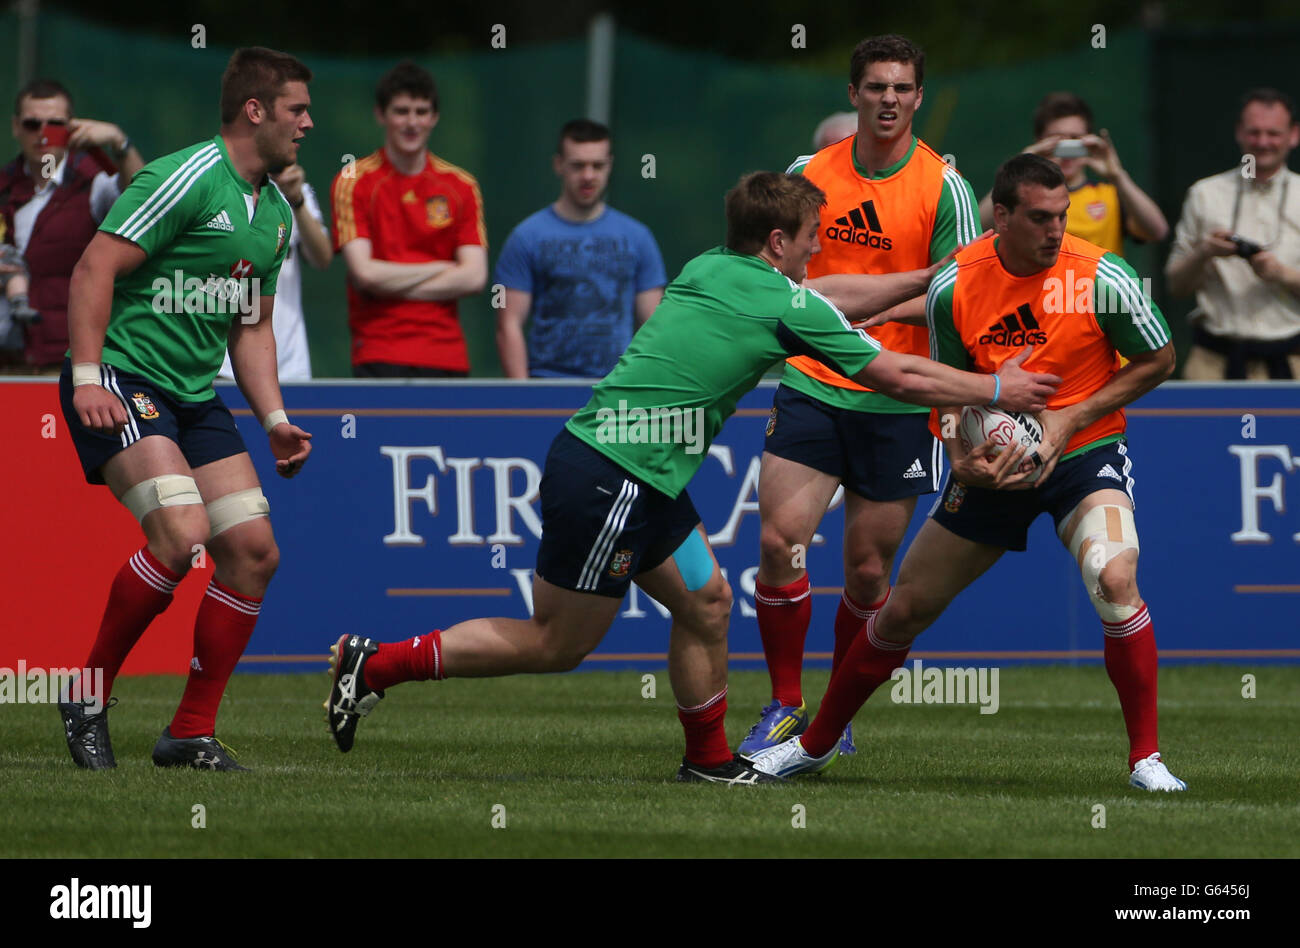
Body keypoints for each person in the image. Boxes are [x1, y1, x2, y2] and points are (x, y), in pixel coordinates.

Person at [323, 171, 1059, 785]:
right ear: (778, 243)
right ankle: (378, 664)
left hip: (628, 472)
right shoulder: (779, 298)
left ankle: (707, 762)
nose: (814, 253)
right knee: (557, 644)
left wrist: (930, 276)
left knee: (707, 603)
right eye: (809, 242)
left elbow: (827, 300)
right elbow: (894, 372)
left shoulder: (713, 265)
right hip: (615, 476)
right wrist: (994, 390)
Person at [747, 154, 1185, 794]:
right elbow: (950, 390)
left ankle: (1145, 758)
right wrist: (958, 455)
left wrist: (1069, 422)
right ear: (1000, 216)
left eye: (1061, 216)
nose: (1056, 230)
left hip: (1084, 453)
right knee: (901, 612)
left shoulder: (1102, 276)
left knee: (1114, 574)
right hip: (991, 465)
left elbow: (1161, 358)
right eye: (1039, 218)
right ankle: (814, 746)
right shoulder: (956, 286)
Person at [55, 47, 314, 771]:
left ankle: (188, 733)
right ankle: (86, 691)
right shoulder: (187, 176)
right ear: (255, 110)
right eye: (297, 109)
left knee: (255, 555)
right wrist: (85, 379)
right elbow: (93, 269)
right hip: (122, 375)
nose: (309, 123)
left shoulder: (276, 213)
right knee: (182, 533)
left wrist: (274, 421)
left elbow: (252, 326)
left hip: (193, 396)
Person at [739, 34, 982, 760]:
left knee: (869, 571)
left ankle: (834, 717)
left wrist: (869, 313)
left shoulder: (946, 186)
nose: (888, 100)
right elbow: (772, 278)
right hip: (813, 385)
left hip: (900, 396)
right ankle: (784, 703)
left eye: (902, 88)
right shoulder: (810, 173)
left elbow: (962, 297)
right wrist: (826, 320)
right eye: (875, 87)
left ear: (918, 96)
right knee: (781, 543)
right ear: (853, 95)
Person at [331, 61, 487, 378]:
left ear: (435, 117)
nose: (412, 122)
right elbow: (365, 275)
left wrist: (389, 283)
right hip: (378, 348)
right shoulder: (353, 179)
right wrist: (441, 268)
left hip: (447, 353)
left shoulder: (462, 186)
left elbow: (474, 278)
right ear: (381, 115)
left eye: (421, 111)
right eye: (401, 111)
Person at [494, 119, 666, 378]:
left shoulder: (638, 238)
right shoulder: (525, 237)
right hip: (547, 385)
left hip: (615, 391)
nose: (588, 176)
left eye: (597, 166)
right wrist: (523, 398)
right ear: (558, 165)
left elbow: (654, 327)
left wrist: (640, 388)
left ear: (610, 166)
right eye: (578, 166)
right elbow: (508, 326)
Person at [0, 79, 144, 373]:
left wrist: (121, 144)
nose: (42, 134)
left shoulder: (95, 183)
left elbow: (145, 204)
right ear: (16, 127)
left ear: (71, 128)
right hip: (8, 357)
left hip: (71, 361)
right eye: (31, 124)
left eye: (54, 125)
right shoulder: (4, 186)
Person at [1166, 88, 1300, 379]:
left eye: (1273, 133)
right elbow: (1175, 286)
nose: (1263, 142)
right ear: (1239, 133)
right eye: (1254, 132)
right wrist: (1204, 252)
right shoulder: (1205, 194)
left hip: (1292, 360)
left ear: (1293, 135)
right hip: (1213, 362)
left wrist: (1281, 274)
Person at [977, 91, 1168, 253]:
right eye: (1057, 140)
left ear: (1089, 141)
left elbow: (1157, 231)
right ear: (1040, 142)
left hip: (1094, 295)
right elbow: (977, 227)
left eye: (1076, 139)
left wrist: (1117, 175)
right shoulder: (1022, 197)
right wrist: (1021, 165)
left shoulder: (1110, 195)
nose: (1067, 151)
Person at [218, 162, 332, 380]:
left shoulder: (296, 190)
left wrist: (297, 200)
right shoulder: (217, 187)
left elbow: (322, 258)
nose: (303, 127)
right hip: (226, 366)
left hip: (289, 367)